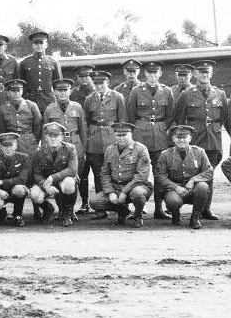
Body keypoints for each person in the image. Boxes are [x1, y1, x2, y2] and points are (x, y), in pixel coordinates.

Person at [171, 60, 226, 220]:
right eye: (201, 72)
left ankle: (206, 209)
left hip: (213, 141)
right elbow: (180, 121)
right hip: (194, 141)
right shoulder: (186, 94)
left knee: (209, 175)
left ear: (211, 73)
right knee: (189, 174)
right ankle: (184, 206)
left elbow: (223, 118)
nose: (204, 75)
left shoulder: (220, 94)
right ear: (195, 74)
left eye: (207, 72)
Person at [128, 61, 176, 216]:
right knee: (138, 171)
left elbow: (170, 116)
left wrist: (160, 127)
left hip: (161, 136)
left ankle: (158, 208)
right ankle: (137, 207)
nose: (152, 76)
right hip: (140, 135)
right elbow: (131, 115)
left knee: (160, 173)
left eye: (155, 73)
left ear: (160, 74)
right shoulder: (136, 91)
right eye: (149, 73)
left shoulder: (167, 91)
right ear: (145, 74)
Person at [80, 69, 126, 219]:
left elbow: (122, 121)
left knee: (116, 170)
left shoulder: (118, 97)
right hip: (94, 139)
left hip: (112, 137)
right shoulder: (89, 99)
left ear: (108, 82)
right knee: (98, 172)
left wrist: (121, 141)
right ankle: (102, 208)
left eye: (102, 83)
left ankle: (121, 205)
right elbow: (86, 121)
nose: (99, 86)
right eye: (96, 83)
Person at [90, 121, 153, 227]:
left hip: (136, 187)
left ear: (131, 134)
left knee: (138, 193)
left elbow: (141, 175)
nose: (121, 138)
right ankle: (123, 210)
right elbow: (104, 173)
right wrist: (110, 192)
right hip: (115, 187)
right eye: (118, 135)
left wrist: (124, 191)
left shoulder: (141, 149)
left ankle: (138, 215)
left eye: (124, 135)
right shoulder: (110, 149)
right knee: (94, 202)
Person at [154, 123, 212, 229]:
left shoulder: (199, 152)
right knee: (173, 201)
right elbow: (159, 176)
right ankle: (175, 216)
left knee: (203, 187)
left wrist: (193, 180)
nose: (181, 140)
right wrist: (176, 187)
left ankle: (195, 218)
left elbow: (208, 171)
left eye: (184, 137)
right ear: (173, 138)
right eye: (178, 137)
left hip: (193, 189)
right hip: (175, 189)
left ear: (190, 138)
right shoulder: (165, 154)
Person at [43, 78, 86, 211]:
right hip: (56, 145)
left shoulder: (77, 107)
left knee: (73, 177)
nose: (62, 93)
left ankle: (70, 209)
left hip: (75, 143)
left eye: (65, 90)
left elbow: (83, 129)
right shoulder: (50, 109)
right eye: (59, 90)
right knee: (57, 176)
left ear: (70, 91)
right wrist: (47, 149)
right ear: (55, 92)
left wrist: (83, 149)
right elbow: (44, 131)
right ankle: (61, 209)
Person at [27, 121, 79, 226]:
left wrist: (53, 177)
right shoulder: (39, 152)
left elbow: (72, 170)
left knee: (69, 183)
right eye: (50, 135)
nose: (53, 138)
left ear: (62, 137)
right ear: (45, 137)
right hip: (46, 182)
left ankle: (67, 213)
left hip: (62, 181)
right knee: (34, 194)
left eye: (56, 135)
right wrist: (44, 185)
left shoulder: (70, 148)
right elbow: (36, 174)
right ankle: (48, 209)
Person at [0, 130, 32, 225]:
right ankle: (1, 213)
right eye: (5, 146)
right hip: (0, 192)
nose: (8, 148)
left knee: (20, 189)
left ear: (16, 145)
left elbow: (22, 179)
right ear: (1, 147)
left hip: (15, 191)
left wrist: (1, 182)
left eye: (11, 145)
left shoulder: (24, 158)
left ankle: (18, 215)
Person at [0, 79, 42, 155]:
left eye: (18, 90)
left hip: (28, 143)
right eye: (13, 91)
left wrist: (33, 141)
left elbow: (38, 126)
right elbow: (1, 129)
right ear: (8, 92)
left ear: (22, 91)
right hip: (10, 143)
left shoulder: (32, 106)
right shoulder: (3, 109)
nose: (16, 93)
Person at [17, 30, 61, 112]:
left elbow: (58, 85)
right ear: (32, 45)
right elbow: (20, 84)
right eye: (36, 43)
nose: (39, 45)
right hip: (30, 101)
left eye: (41, 43)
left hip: (49, 101)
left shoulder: (53, 63)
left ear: (46, 45)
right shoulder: (25, 63)